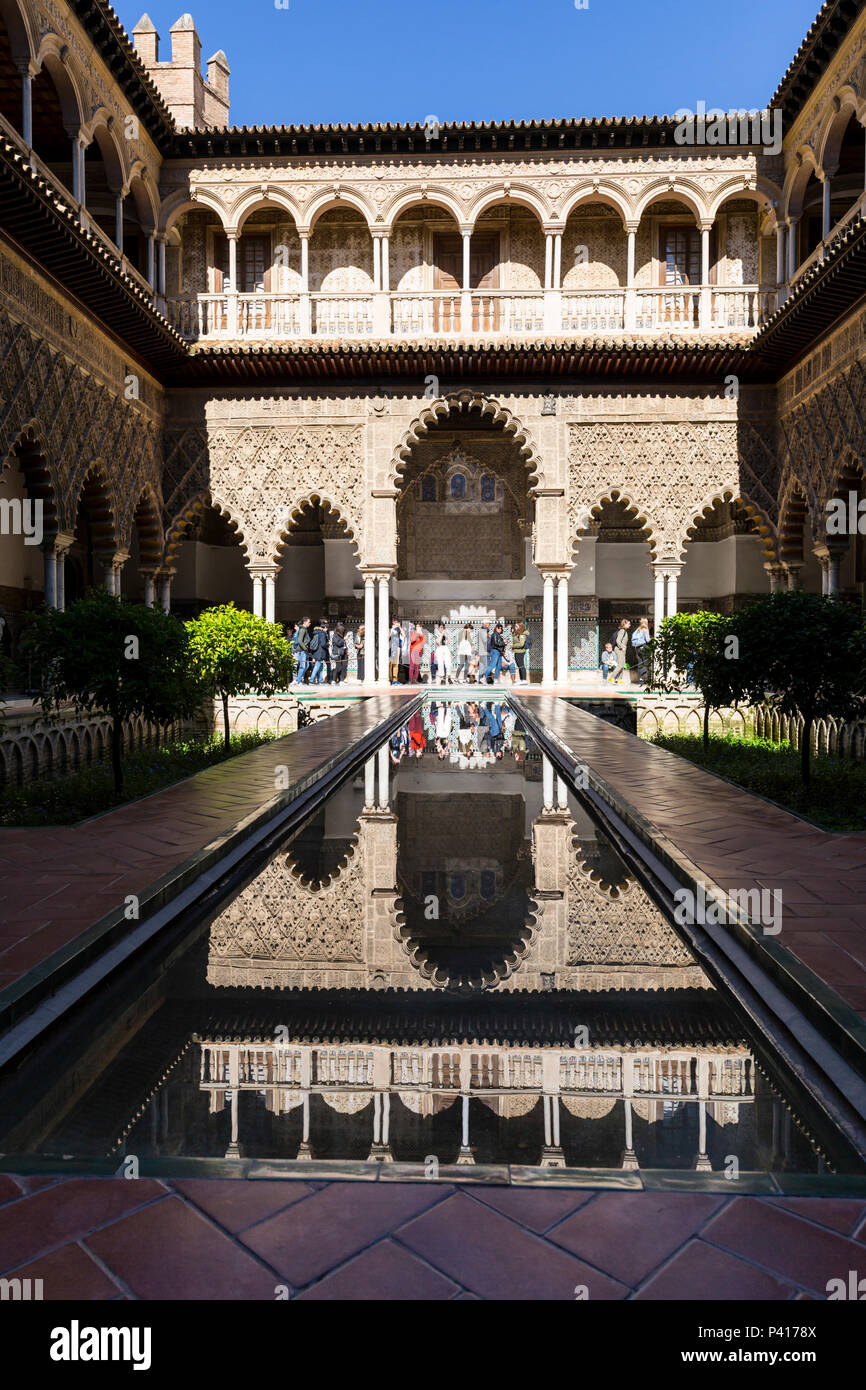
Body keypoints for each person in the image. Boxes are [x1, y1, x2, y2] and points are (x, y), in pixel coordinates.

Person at [308, 619, 329, 683]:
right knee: (317, 666)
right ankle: (311, 679)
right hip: (320, 652)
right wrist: (328, 644)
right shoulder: (322, 634)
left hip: (316, 652)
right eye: (327, 628)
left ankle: (320, 680)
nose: (327, 629)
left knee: (320, 667)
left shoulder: (316, 633)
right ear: (324, 628)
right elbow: (323, 644)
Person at [632, 617, 651, 683]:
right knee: (646, 663)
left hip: (637, 648)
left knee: (640, 663)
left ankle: (640, 679)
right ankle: (645, 678)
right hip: (643, 647)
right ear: (646, 623)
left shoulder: (637, 629)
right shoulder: (645, 629)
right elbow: (648, 640)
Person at [613, 618, 631, 685]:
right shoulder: (622, 631)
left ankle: (619, 680)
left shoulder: (625, 631)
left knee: (622, 665)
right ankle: (612, 678)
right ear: (624, 624)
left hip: (622, 650)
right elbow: (618, 640)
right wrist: (622, 647)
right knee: (620, 665)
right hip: (619, 649)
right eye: (628, 624)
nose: (629, 625)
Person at [294, 616, 311, 686]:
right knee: (302, 666)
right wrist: (305, 648)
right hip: (302, 651)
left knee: (307, 665)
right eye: (309, 622)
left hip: (304, 651)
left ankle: (299, 679)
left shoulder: (304, 629)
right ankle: (298, 681)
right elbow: (300, 641)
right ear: (305, 622)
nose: (310, 623)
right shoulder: (302, 630)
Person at [389, 620, 402, 685]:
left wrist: (400, 627)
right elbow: (387, 637)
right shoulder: (389, 629)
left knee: (396, 664)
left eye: (397, 622)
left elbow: (404, 635)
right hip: (390, 648)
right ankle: (390, 679)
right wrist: (391, 630)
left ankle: (395, 679)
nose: (397, 623)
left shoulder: (398, 630)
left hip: (397, 647)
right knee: (390, 664)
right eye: (395, 622)